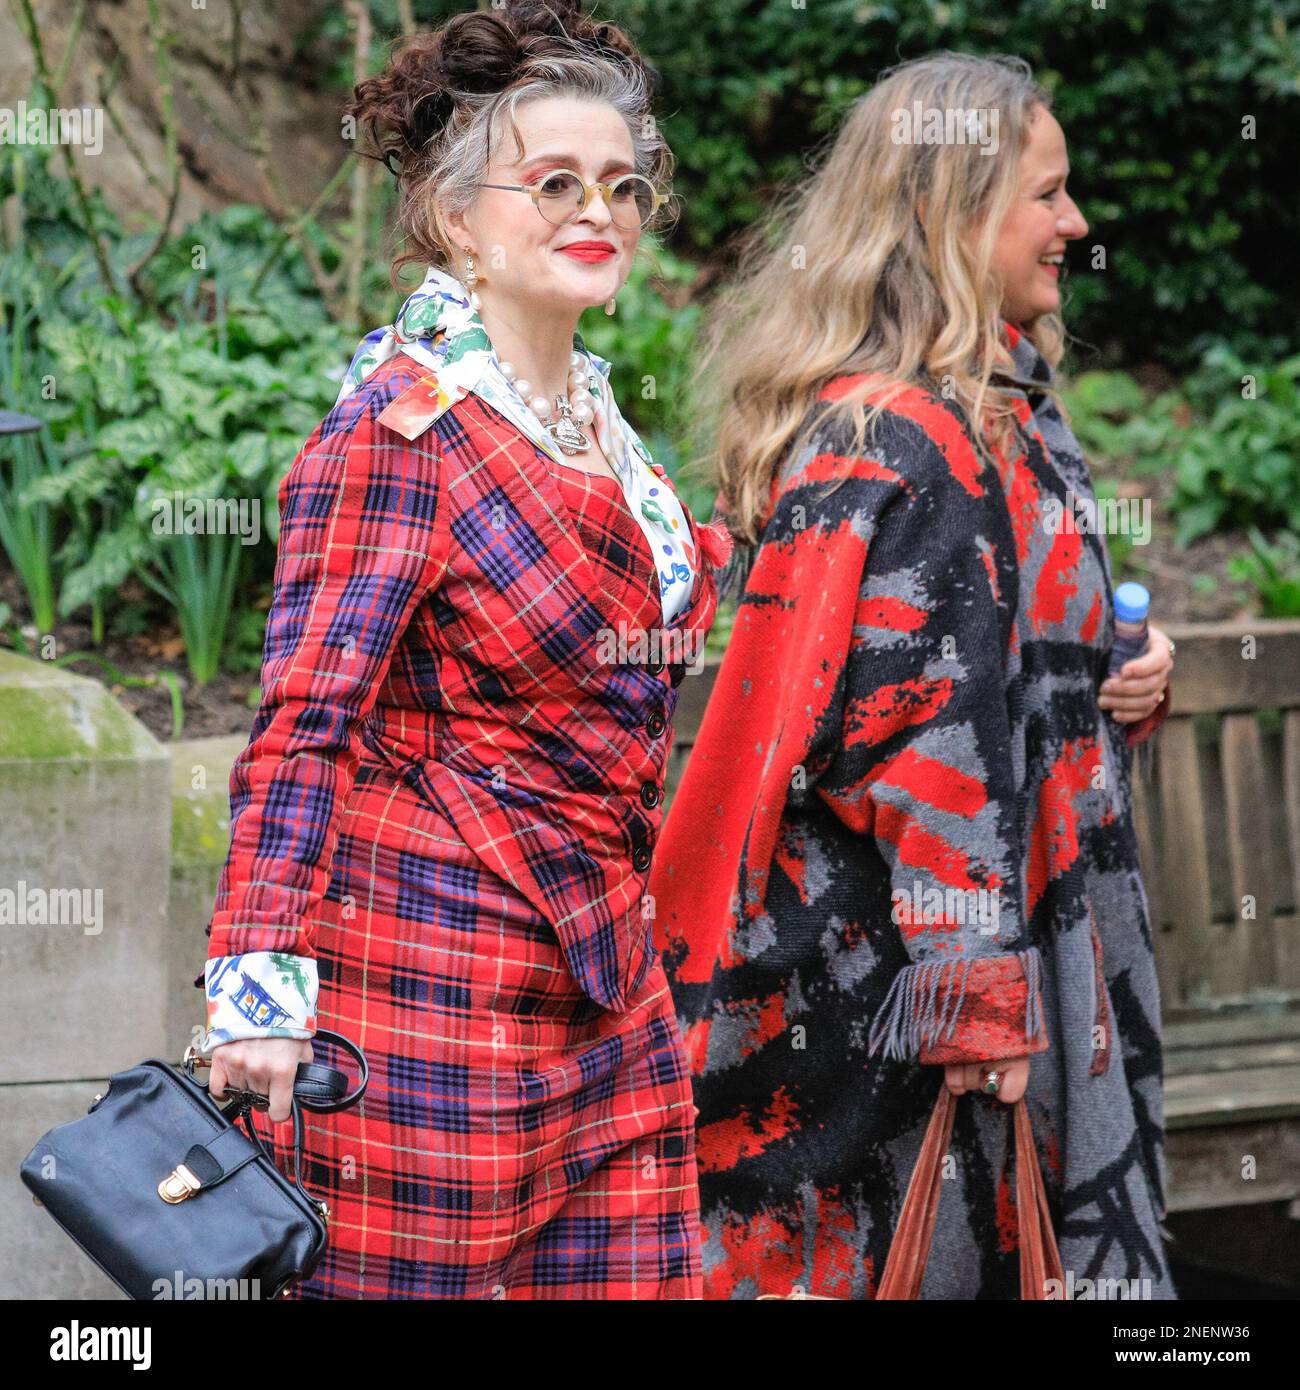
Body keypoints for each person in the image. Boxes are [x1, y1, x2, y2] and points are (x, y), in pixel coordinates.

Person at [194, 0, 729, 1300]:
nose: (596, 209)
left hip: (604, 979)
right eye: (551, 183)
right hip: (424, 985)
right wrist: (257, 991)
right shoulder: (403, 431)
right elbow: (303, 720)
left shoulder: (607, 433)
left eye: (621, 183)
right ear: (451, 217)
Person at [649, 52, 1176, 1299]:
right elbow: (917, 745)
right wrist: (979, 1007)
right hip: (898, 989)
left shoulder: (1005, 408)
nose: (1075, 224)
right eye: (1044, 196)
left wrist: (1121, 672)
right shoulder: (901, 434)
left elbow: (1011, 670)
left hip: (1004, 947)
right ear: (949, 214)